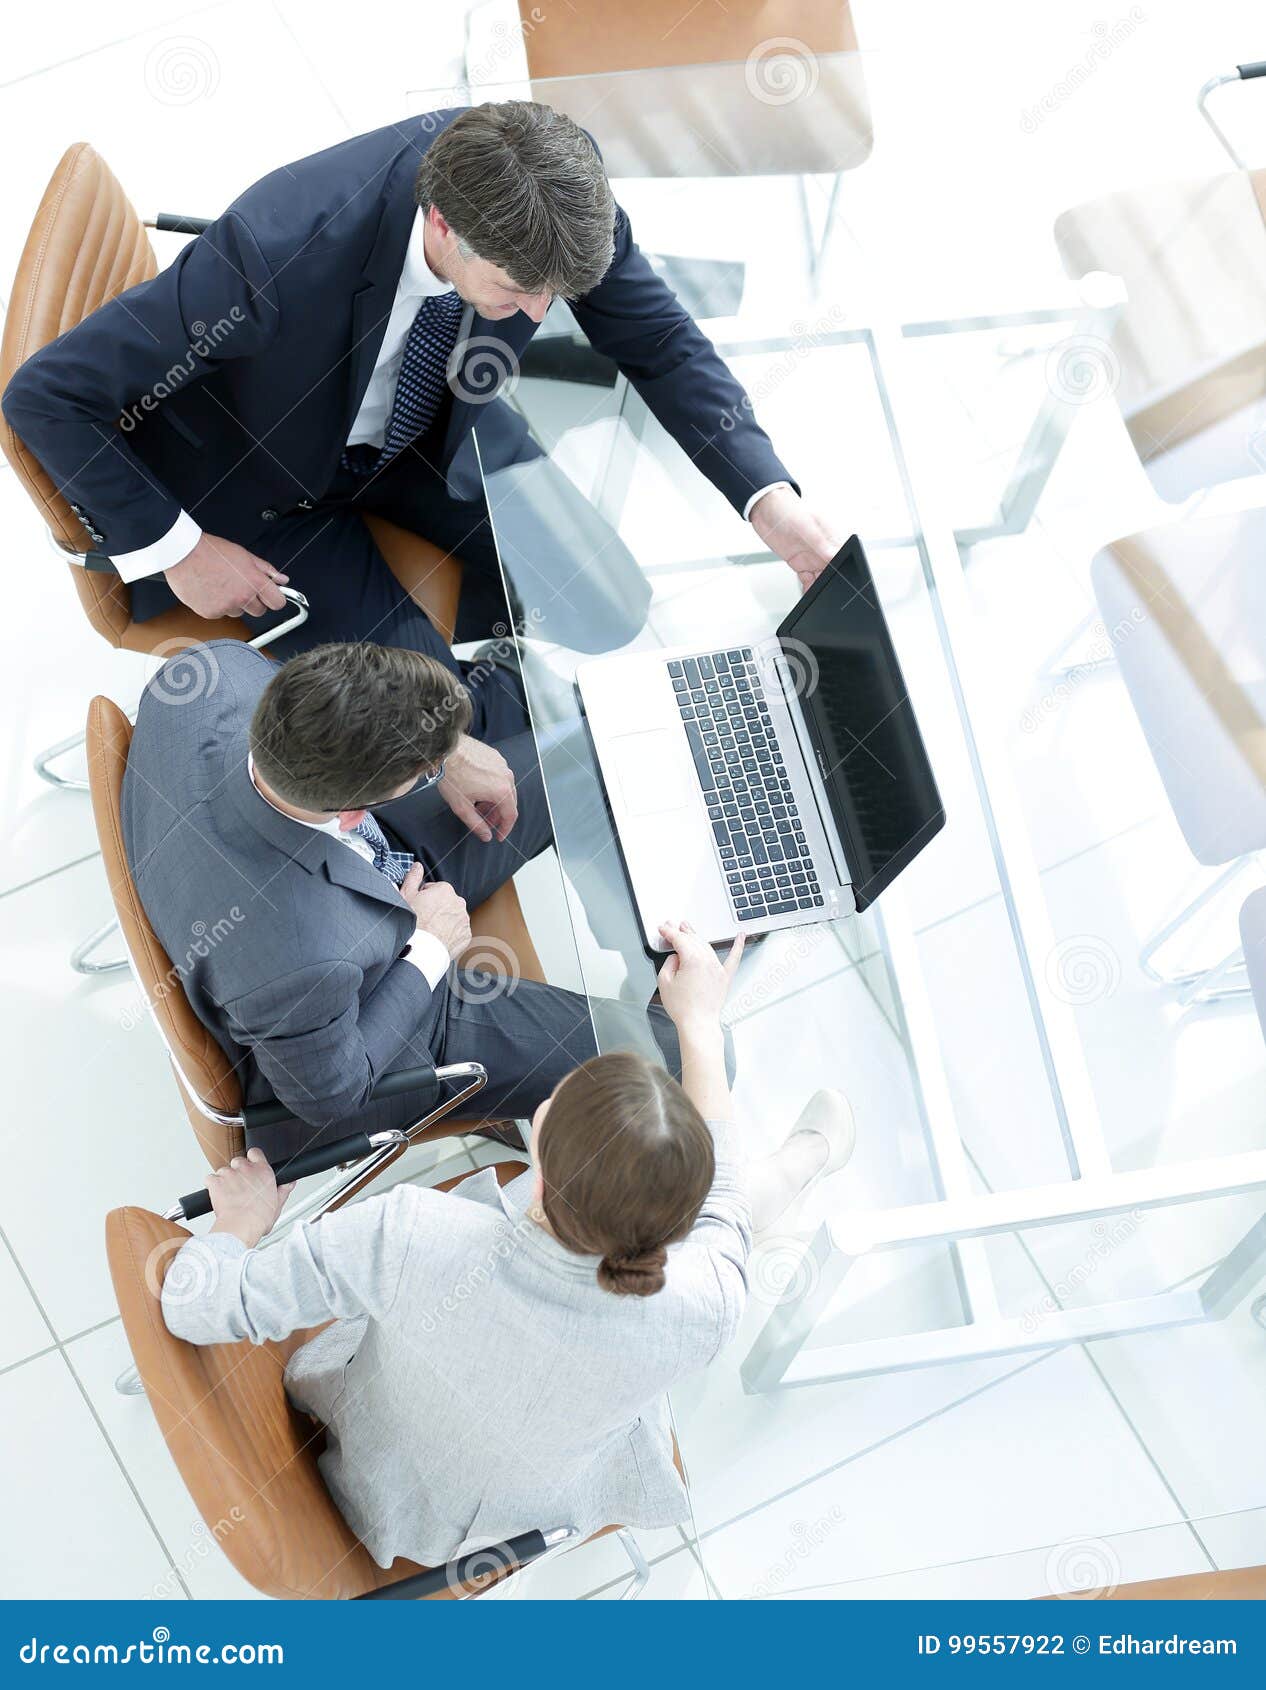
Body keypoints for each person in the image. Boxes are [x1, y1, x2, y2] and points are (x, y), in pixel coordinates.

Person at [3, 101, 839, 659]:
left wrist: (772, 501)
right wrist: (180, 551)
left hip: (431, 432)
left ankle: (495, 668)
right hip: (261, 491)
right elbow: (44, 396)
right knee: (444, 737)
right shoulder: (277, 250)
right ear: (443, 222)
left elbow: (659, 340)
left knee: (608, 608)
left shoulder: (560, 198)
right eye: (519, 292)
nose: (539, 312)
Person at [161, 921, 855, 1569]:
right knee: (737, 1216)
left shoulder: (407, 1235)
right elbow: (726, 1213)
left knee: (733, 1216)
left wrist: (239, 1226)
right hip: (514, 1528)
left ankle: (803, 1161)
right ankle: (807, 1161)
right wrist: (699, 1026)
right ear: (672, 1231)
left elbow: (195, 1305)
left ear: (543, 1168)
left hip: (380, 1479)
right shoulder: (702, 1307)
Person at [122, 635, 675, 1158]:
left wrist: (447, 750)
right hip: (376, 1008)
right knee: (672, 1058)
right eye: (424, 772)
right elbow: (331, 1094)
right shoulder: (299, 961)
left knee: (600, 760)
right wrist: (430, 946)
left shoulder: (213, 673)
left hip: (360, 865)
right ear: (355, 811)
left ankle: (650, 942)